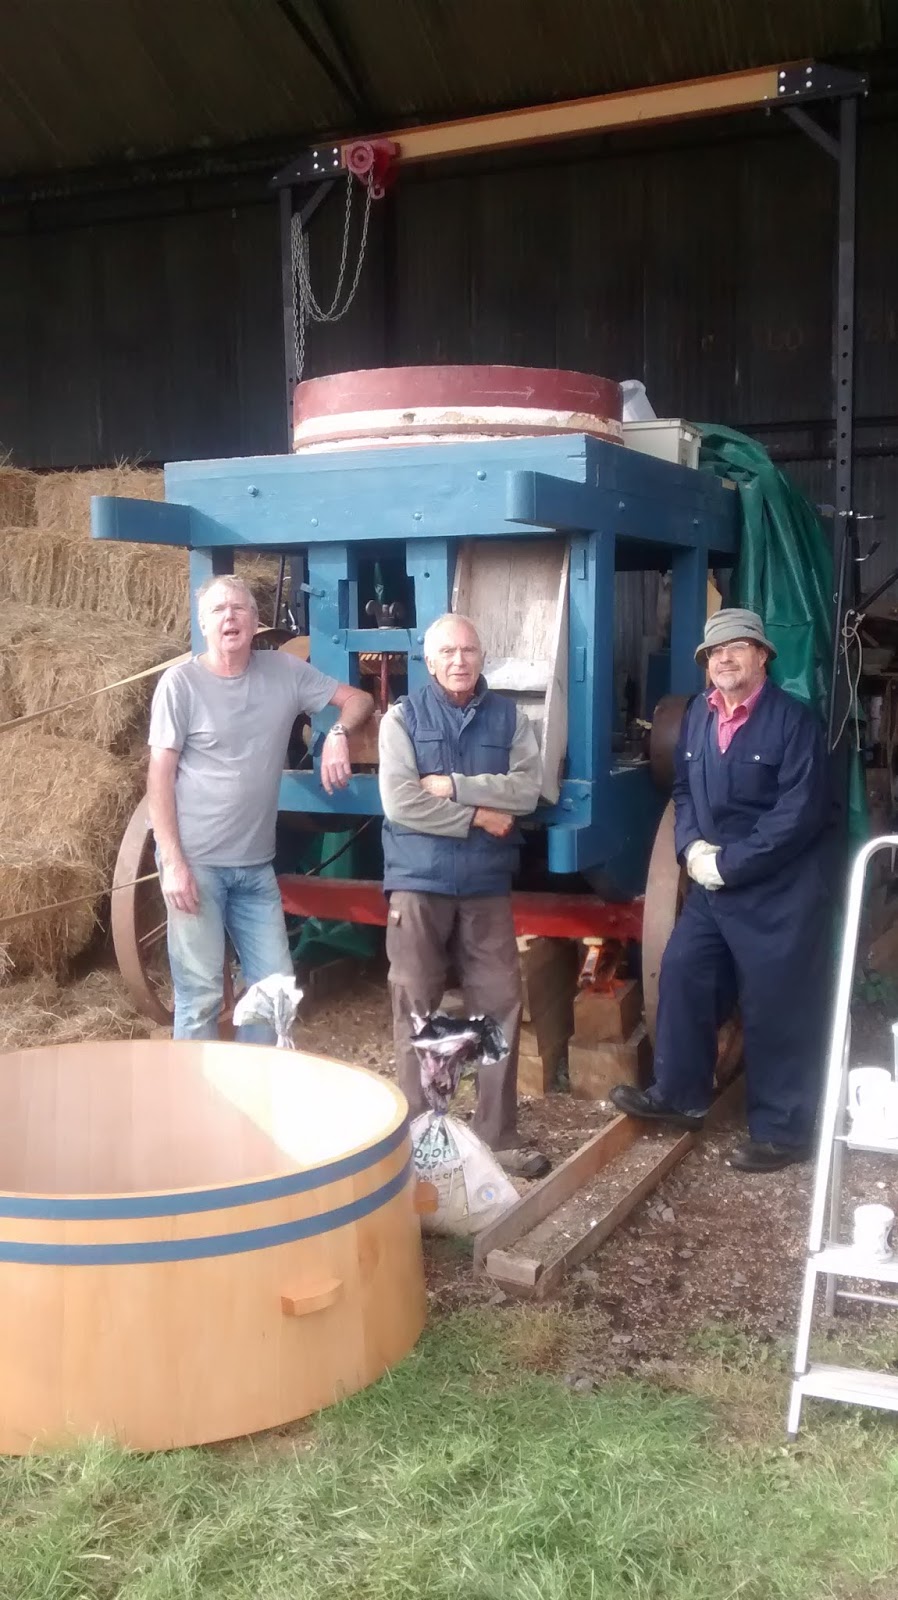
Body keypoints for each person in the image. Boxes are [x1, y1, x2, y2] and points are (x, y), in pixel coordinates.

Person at [611, 608, 833, 1173]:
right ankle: (680, 1094)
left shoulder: (795, 722)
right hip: (713, 886)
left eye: (737, 648)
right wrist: (690, 850)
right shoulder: (698, 720)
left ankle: (783, 1132)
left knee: (776, 1007)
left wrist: (730, 863)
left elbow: (798, 815)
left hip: (776, 894)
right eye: (714, 652)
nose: (724, 659)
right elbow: (684, 791)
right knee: (684, 971)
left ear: (762, 656)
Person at [148, 574, 373, 1043]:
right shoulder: (181, 684)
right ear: (204, 625)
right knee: (200, 996)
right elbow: (159, 777)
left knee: (274, 996)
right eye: (218, 611)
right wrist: (172, 862)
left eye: (239, 609)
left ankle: (257, 1107)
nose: (229, 617)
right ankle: (193, 1107)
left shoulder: (285, 673)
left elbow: (359, 698)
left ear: (255, 622)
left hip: (254, 868)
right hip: (197, 863)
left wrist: (337, 734)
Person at [378, 613, 550, 1178]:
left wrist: (454, 787)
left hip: (484, 885)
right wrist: (478, 813)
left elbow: (529, 787)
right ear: (429, 663)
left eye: (468, 651)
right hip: (419, 884)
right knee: (417, 1012)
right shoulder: (401, 719)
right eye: (447, 652)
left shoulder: (509, 718)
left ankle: (495, 1139)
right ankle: (419, 1144)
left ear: (482, 657)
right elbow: (402, 803)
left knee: (499, 1007)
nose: (459, 661)